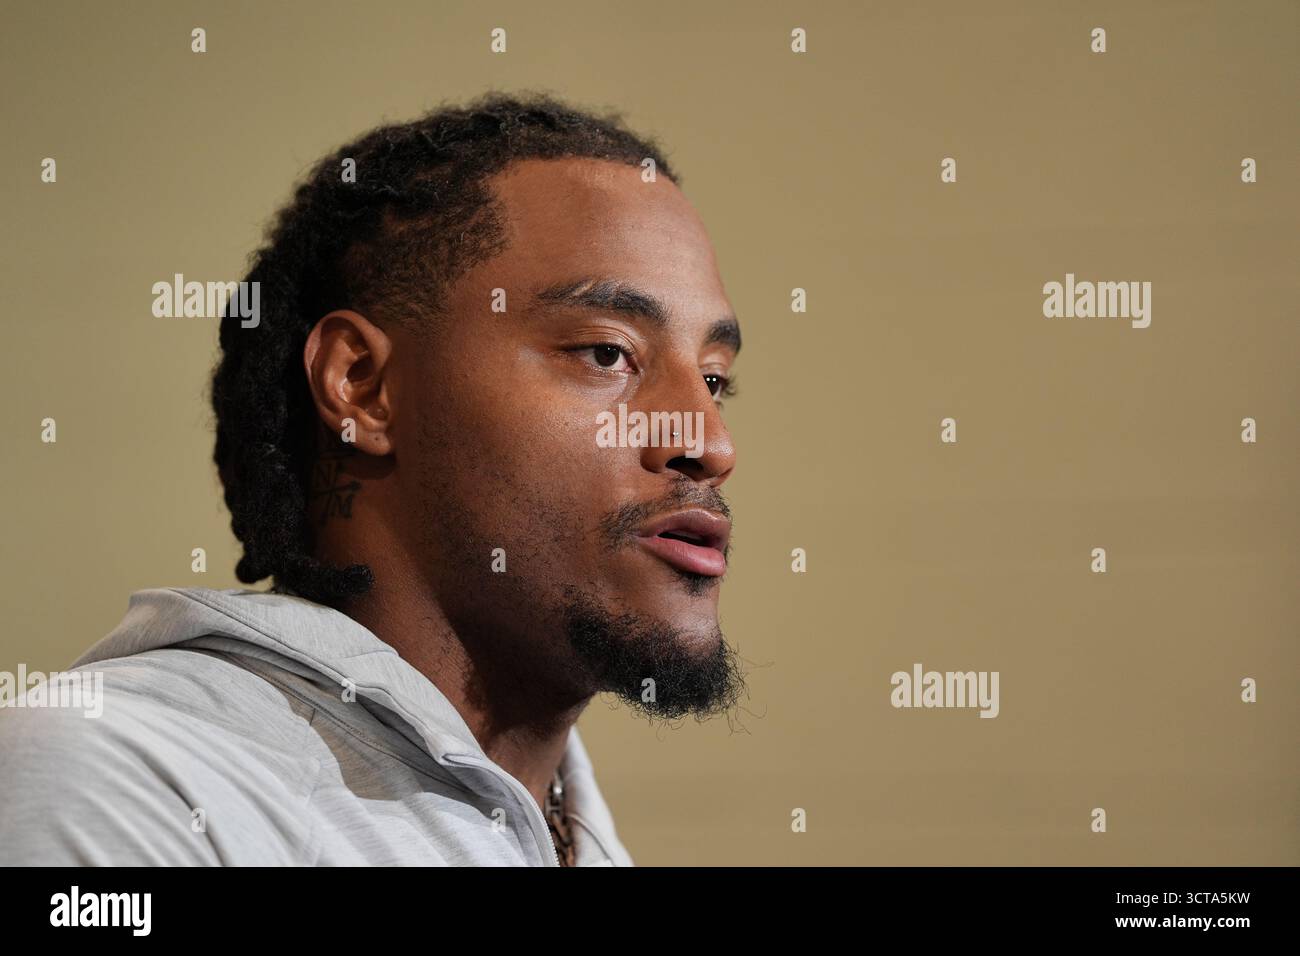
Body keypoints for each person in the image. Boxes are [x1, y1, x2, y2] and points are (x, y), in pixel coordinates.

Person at [0, 90, 747, 866]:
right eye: (606, 353)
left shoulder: (572, 831)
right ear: (360, 385)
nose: (709, 443)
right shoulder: (122, 782)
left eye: (715, 378)